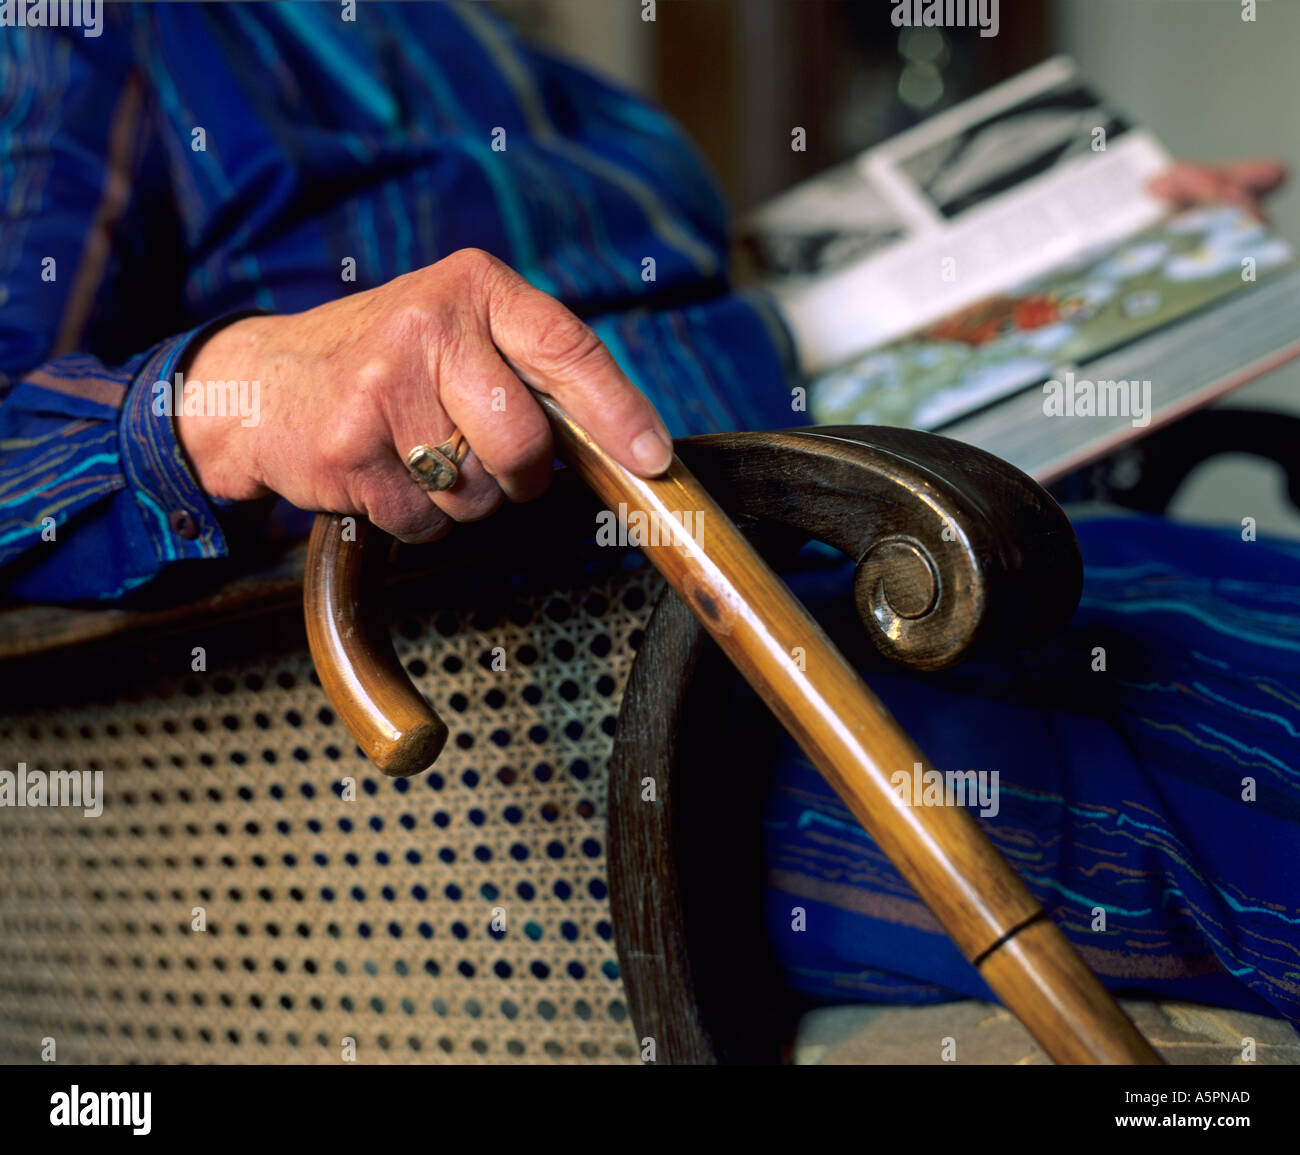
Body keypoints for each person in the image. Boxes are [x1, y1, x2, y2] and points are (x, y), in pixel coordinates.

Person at [2, 3, 1296, 1033]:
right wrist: (232, 398)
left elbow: (718, 308)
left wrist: (1086, 254)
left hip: (827, 549)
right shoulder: (84, 30)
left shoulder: (489, 51)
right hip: (596, 705)